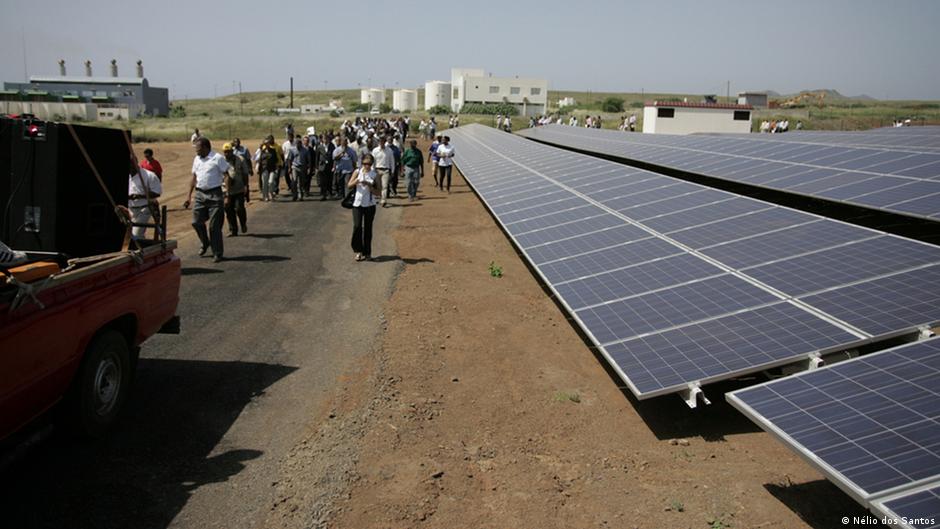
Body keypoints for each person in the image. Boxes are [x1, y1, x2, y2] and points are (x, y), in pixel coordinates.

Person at [184, 137, 230, 263]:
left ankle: (217, 253)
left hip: (215, 195)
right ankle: (205, 242)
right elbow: (194, 177)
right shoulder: (197, 159)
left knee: (214, 227)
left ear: (205, 147)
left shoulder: (217, 158)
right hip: (200, 194)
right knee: (196, 222)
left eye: (198, 149)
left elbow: (226, 176)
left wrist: (227, 195)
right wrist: (188, 196)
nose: (196, 152)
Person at [347, 153, 381, 262]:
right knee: (357, 227)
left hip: (369, 204)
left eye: (369, 164)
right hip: (357, 203)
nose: (367, 166)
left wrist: (370, 185)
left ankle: (367, 252)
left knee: (368, 228)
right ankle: (358, 250)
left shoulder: (375, 174)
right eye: (365, 163)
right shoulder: (357, 172)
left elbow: (378, 192)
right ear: (362, 163)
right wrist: (357, 181)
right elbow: (349, 185)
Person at [128, 154, 162, 240]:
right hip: (129, 210)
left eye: (131, 163)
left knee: (136, 235)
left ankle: (139, 249)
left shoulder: (149, 175)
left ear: (136, 162)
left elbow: (157, 192)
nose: (130, 166)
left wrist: (140, 196)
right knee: (129, 236)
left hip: (144, 208)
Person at [222, 143, 249, 236]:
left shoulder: (240, 159)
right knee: (228, 210)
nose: (226, 154)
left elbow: (245, 174)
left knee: (239, 208)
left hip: (239, 189)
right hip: (226, 190)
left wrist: (246, 186)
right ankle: (233, 230)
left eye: (228, 152)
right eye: (225, 152)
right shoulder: (221, 161)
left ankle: (243, 223)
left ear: (232, 151)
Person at [372, 135, 395, 207]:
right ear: (379, 142)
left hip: (386, 170)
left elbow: (392, 161)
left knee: (385, 186)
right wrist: (372, 171)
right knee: (378, 186)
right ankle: (378, 198)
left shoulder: (389, 150)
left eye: (383, 141)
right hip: (377, 170)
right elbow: (373, 161)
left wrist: (393, 171)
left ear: (385, 142)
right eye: (380, 141)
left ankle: (383, 200)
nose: (381, 143)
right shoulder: (375, 150)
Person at [285, 136, 311, 201]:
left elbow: (308, 160)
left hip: (302, 168)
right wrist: (289, 168)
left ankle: (300, 195)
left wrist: (309, 168)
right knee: (295, 181)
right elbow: (289, 159)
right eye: (296, 143)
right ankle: (295, 195)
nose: (297, 145)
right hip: (295, 167)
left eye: (299, 143)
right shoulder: (292, 150)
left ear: (301, 143)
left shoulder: (305, 150)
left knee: (301, 182)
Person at [256, 136, 280, 202]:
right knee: (264, 183)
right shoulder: (262, 152)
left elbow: (276, 160)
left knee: (271, 182)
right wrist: (258, 168)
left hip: (272, 169)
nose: (267, 144)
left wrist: (277, 168)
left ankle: (271, 194)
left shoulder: (273, 150)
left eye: (268, 143)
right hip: (264, 169)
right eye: (265, 143)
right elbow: (259, 160)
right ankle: (265, 196)